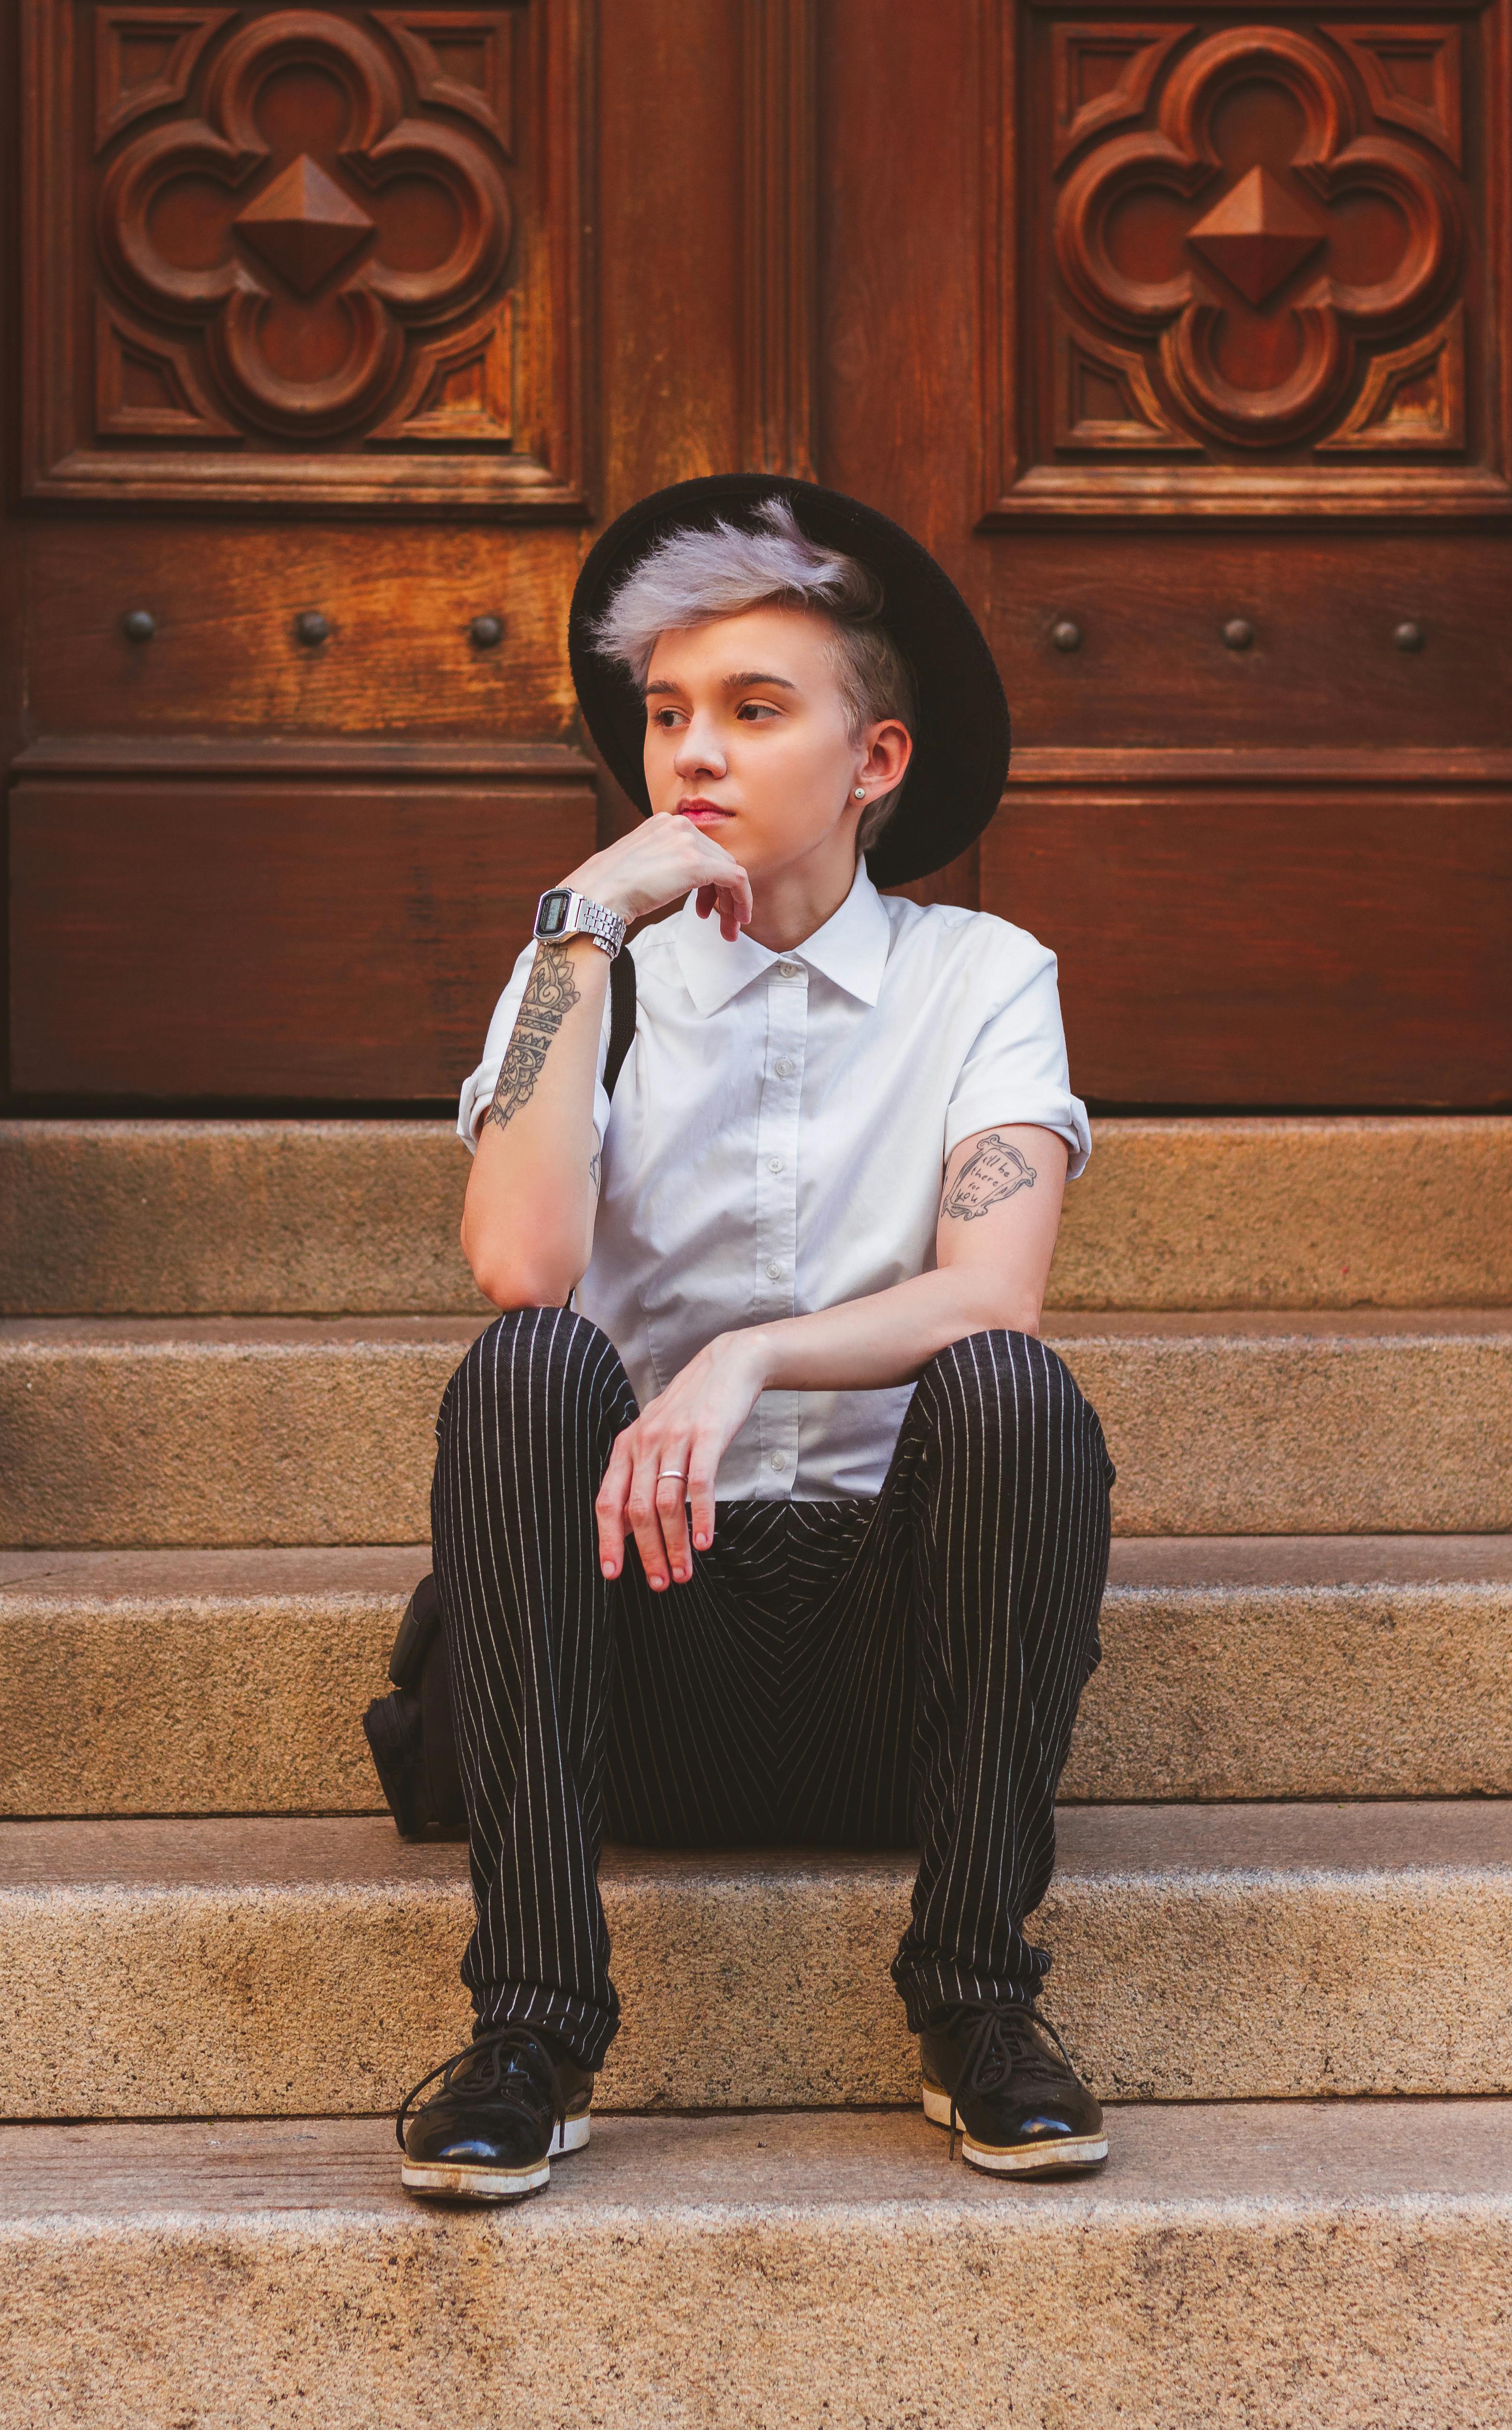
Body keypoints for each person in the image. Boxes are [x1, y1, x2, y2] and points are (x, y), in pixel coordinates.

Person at [396, 475, 1115, 2204]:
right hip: (635, 1643)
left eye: (752, 710)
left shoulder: (983, 975)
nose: (691, 758)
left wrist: (750, 1357)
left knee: (1014, 1392)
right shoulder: (576, 973)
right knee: (527, 1370)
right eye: (664, 717)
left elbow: (992, 1289)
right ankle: (534, 2026)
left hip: (897, 1659)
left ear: (873, 763)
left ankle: (977, 2002)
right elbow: (519, 1262)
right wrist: (578, 925)